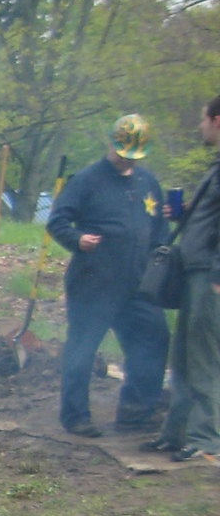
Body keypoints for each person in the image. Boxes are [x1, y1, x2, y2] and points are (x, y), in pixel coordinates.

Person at [46, 114, 171, 438]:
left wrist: (160, 258)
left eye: (132, 156)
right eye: (121, 153)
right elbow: (58, 221)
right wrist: (78, 240)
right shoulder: (87, 180)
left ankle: (137, 412)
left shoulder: (147, 183)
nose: (124, 161)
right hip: (94, 282)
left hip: (137, 284)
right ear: (111, 144)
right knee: (82, 349)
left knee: (153, 338)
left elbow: (159, 228)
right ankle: (75, 416)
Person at [151, 95, 220, 465]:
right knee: (183, 356)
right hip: (195, 272)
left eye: (202, 119)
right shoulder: (215, 166)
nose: (199, 126)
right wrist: (185, 217)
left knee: (205, 358)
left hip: (211, 279)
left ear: (217, 120)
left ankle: (206, 438)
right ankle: (176, 434)